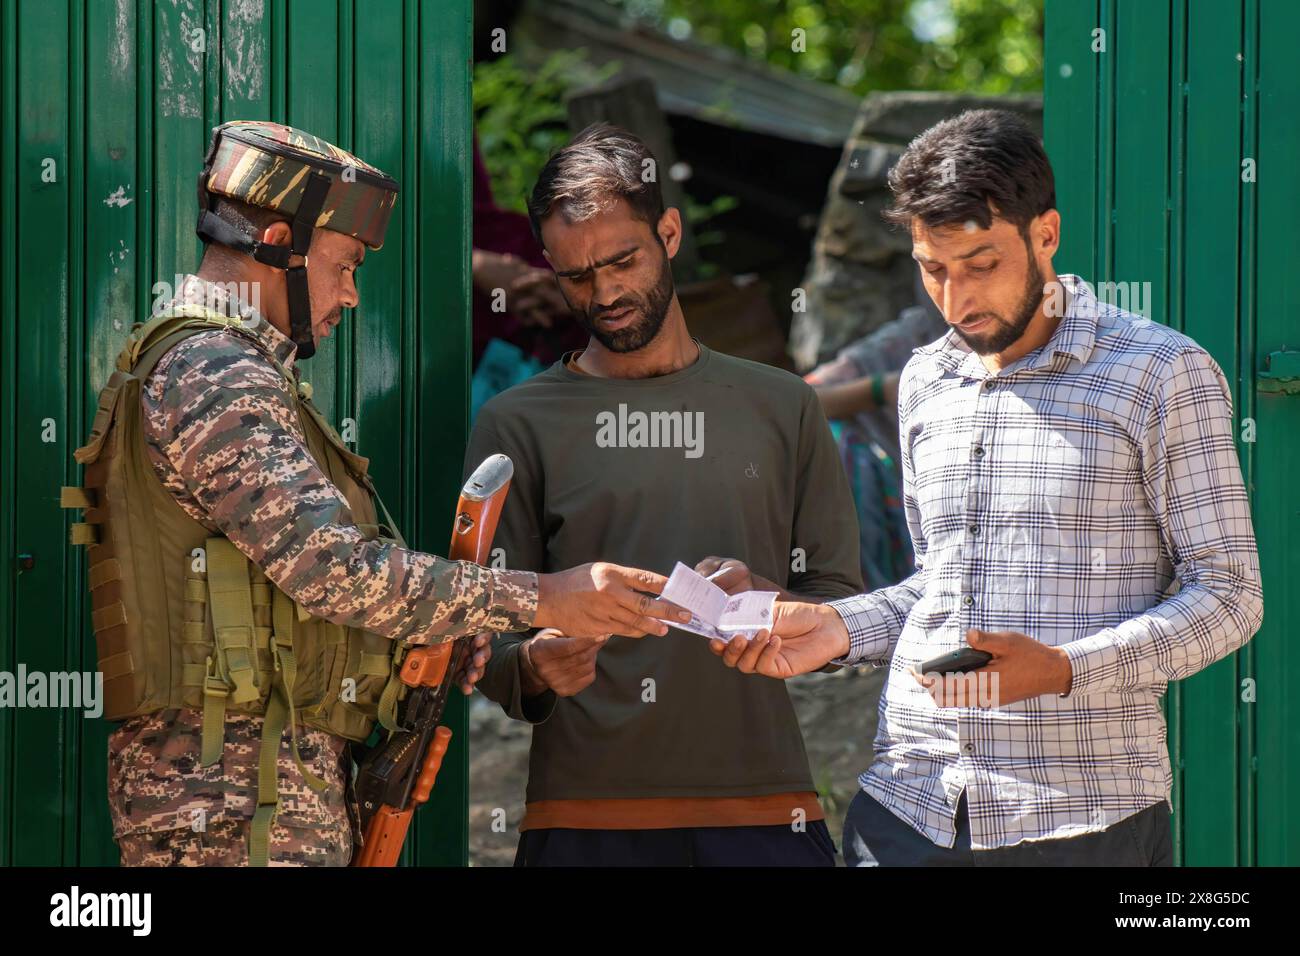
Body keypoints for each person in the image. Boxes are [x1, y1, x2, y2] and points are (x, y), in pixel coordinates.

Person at [63, 121, 688, 867]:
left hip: (252, 793)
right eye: (345, 265)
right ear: (274, 243)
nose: (351, 294)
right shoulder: (215, 371)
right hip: (230, 807)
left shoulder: (230, 368)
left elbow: (296, 597)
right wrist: (543, 596)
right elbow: (332, 571)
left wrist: (447, 642)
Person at [710, 109, 1263, 866]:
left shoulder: (1161, 373)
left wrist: (1065, 671)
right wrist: (833, 629)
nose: (956, 297)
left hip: (1080, 817)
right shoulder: (924, 380)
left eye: (980, 263)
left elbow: (1230, 595)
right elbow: (936, 589)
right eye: (932, 268)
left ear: (1046, 234)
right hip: (906, 806)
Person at [466, 123, 863, 867]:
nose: (606, 292)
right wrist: (531, 667)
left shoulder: (783, 406)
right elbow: (478, 627)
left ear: (670, 232)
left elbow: (842, 608)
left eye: (623, 260)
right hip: (583, 818)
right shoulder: (515, 422)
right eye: (576, 275)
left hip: (765, 813)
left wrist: (766, 602)